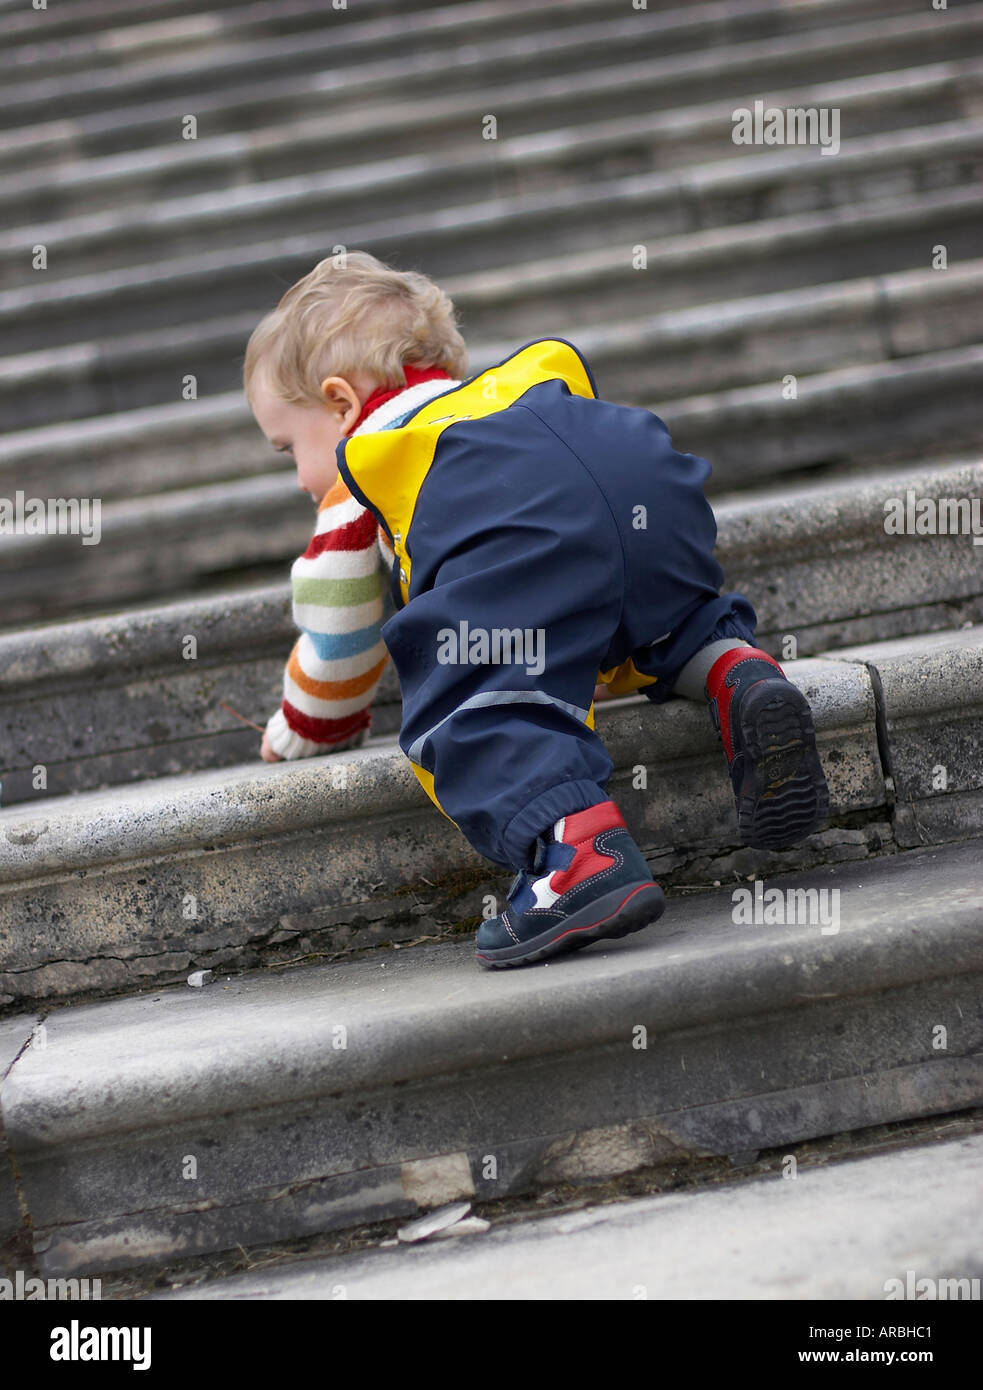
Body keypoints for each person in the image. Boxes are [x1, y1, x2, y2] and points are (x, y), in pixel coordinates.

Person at [244, 251, 829, 969]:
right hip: (639, 483)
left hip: (525, 534)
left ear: (339, 405)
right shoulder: (500, 401)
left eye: (287, 449)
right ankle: (736, 672)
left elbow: (341, 646)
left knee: (472, 699)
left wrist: (300, 730)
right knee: (663, 623)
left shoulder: (366, 468)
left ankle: (577, 851)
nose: (300, 477)